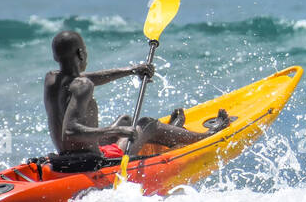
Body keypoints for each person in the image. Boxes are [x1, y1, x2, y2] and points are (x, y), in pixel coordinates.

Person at [43, 30, 229, 156]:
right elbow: (70, 130)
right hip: (91, 163)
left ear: (55, 57)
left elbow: (83, 79)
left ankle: (171, 135)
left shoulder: (51, 79)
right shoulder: (83, 85)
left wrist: (131, 70)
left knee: (125, 119)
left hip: (66, 159)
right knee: (147, 124)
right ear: (81, 54)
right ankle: (205, 137)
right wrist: (118, 131)